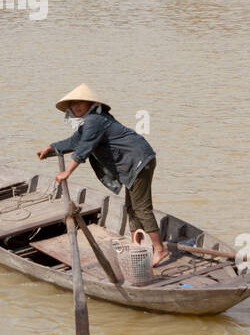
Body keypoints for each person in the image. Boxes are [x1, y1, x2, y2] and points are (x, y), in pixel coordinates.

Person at [35, 84, 171, 266]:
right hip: (132, 163)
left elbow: (83, 149)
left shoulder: (94, 120)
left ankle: (160, 249)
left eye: (80, 102)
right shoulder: (90, 122)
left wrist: (67, 172)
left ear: (89, 103)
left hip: (138, 161)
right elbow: (75, 141)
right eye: (74, 103)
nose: (77, 106)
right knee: (131, 208)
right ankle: (136, 246)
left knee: (141, 208)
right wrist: (51, 148)